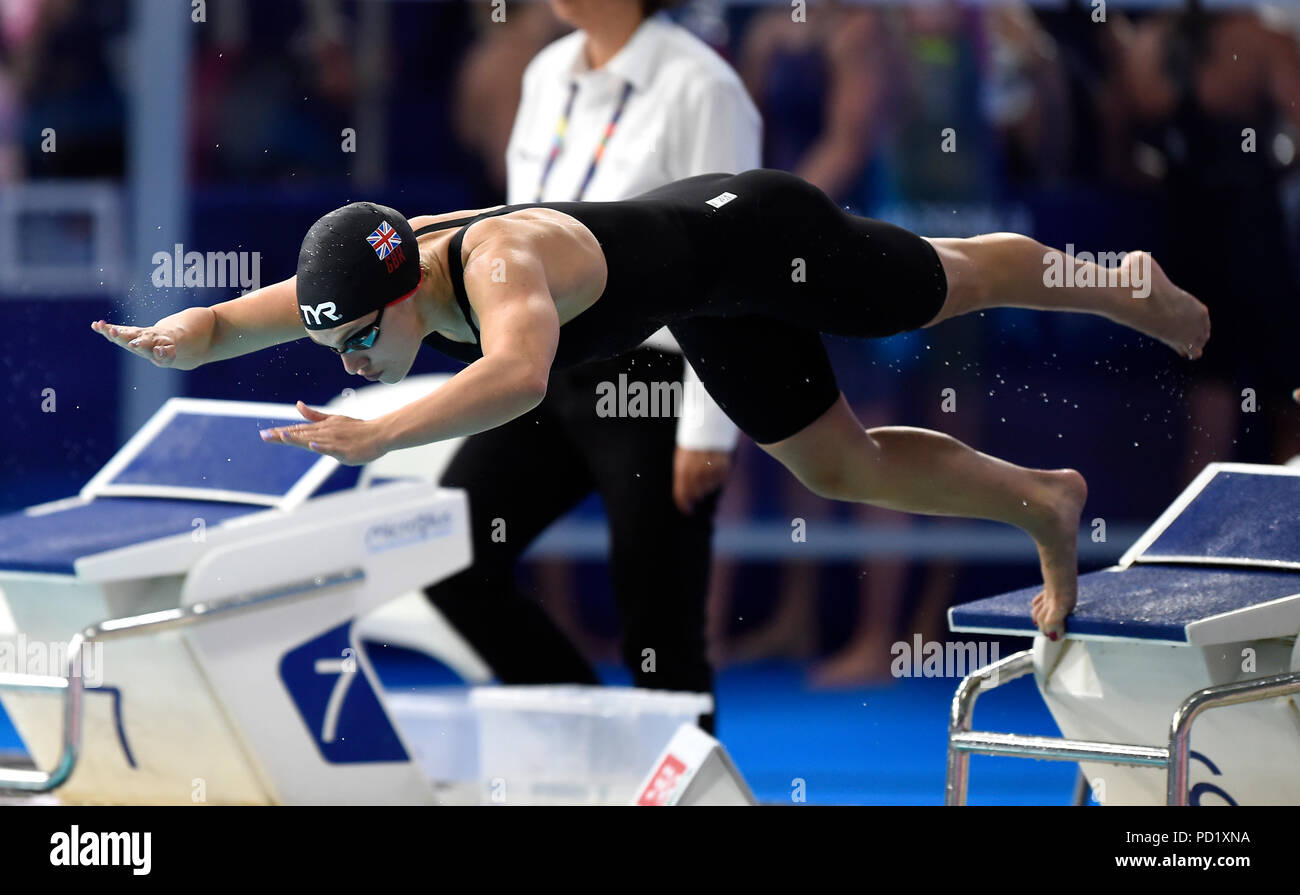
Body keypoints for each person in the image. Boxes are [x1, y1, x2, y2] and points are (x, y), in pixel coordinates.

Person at [91, 167, 1212, 639]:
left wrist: (380, 431)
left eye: (354, 340)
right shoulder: (376, 278)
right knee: (835, 465)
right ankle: (1041, 502)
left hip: (763, 237)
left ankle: (1115, 283)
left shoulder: (498, 269)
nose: (343, 358)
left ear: (404, 293)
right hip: (712, 298)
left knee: (948, 283)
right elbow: (255, 316)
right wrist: (185, 333)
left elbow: (519, 377)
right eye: (336, 342)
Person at [430, 0, 758, 729]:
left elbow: (736, 258)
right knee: (449, 555)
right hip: (547, 362)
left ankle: (683, 786)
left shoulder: (702, 85)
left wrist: (710, 427)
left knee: (658, 623)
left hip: (654, 379)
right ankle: (592, 744)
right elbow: (517, 232)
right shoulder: (548, 73)